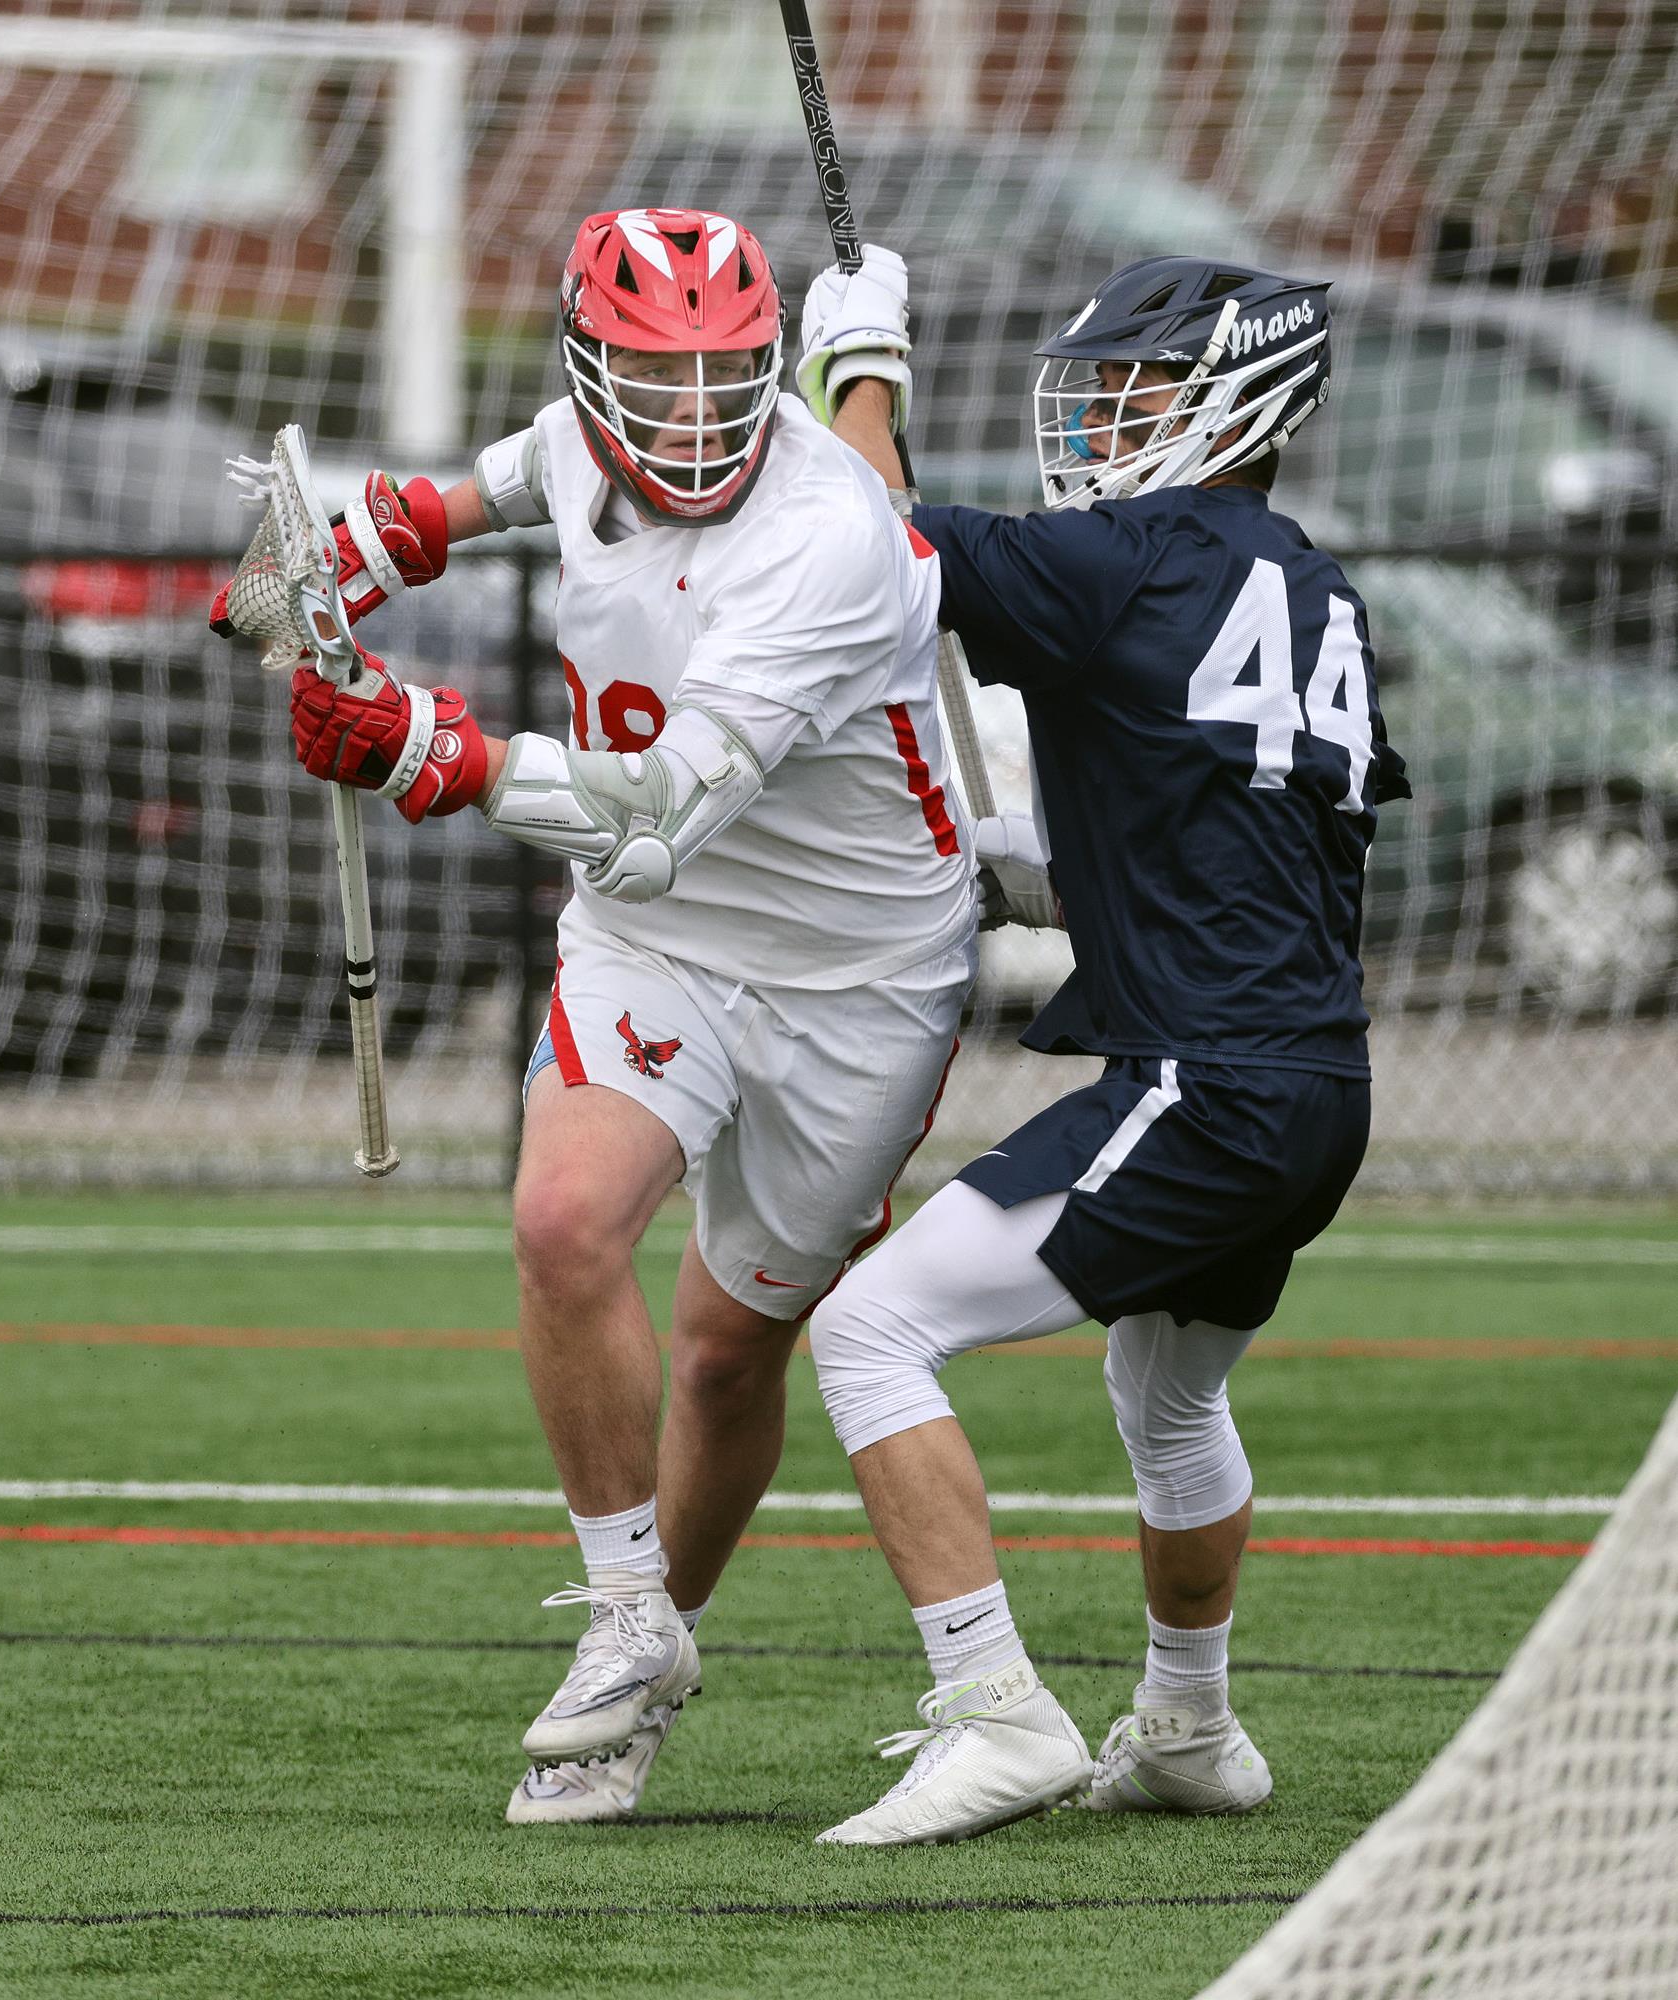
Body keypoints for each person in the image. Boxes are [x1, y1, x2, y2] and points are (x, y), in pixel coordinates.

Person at [217, 208, 987, 1823]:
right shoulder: (575, 435)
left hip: (852, 969)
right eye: (652, 380)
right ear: (586, 366)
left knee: (726, 1354)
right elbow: (473, 495)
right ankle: (624, 1622)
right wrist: (342, 556)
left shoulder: (826, 537)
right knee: (564, 1222)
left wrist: (428, 746)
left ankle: (665, 1647)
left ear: (769, 373)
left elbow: (656, 811)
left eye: (725, 382)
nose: (690, 416)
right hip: (654, 941)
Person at [793, 249, 1410, 1846]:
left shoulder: (1125, 561)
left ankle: (999, 1712)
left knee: (867, 1334)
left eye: (1131, 390)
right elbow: (1226, 833)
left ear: (1233, 398)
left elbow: (861, 534)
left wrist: (862, 360)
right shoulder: (1310, 586)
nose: (1101, 423)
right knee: (1170, 1398)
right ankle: (1191, 1729)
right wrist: (1038, 859)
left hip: (1207, 1085)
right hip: (1314, 1085)